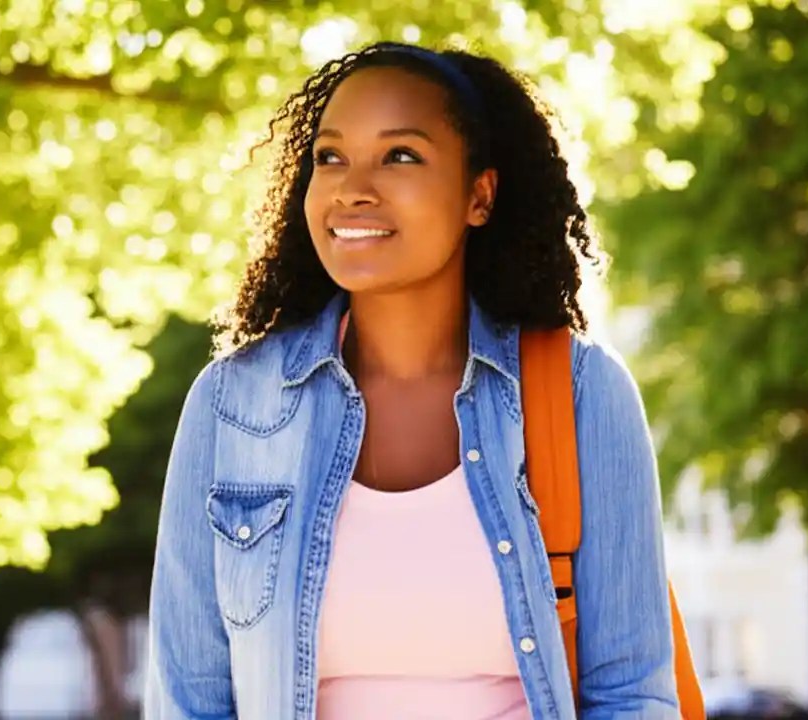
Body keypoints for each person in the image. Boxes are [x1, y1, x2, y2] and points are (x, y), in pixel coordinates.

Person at [142, 41, 679, 720]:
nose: (352, 186)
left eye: (400, 155)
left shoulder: (580, 393)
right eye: (329, 156)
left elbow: (631, 693)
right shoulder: (231, 403)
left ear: (478, 195)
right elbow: (190, 700)